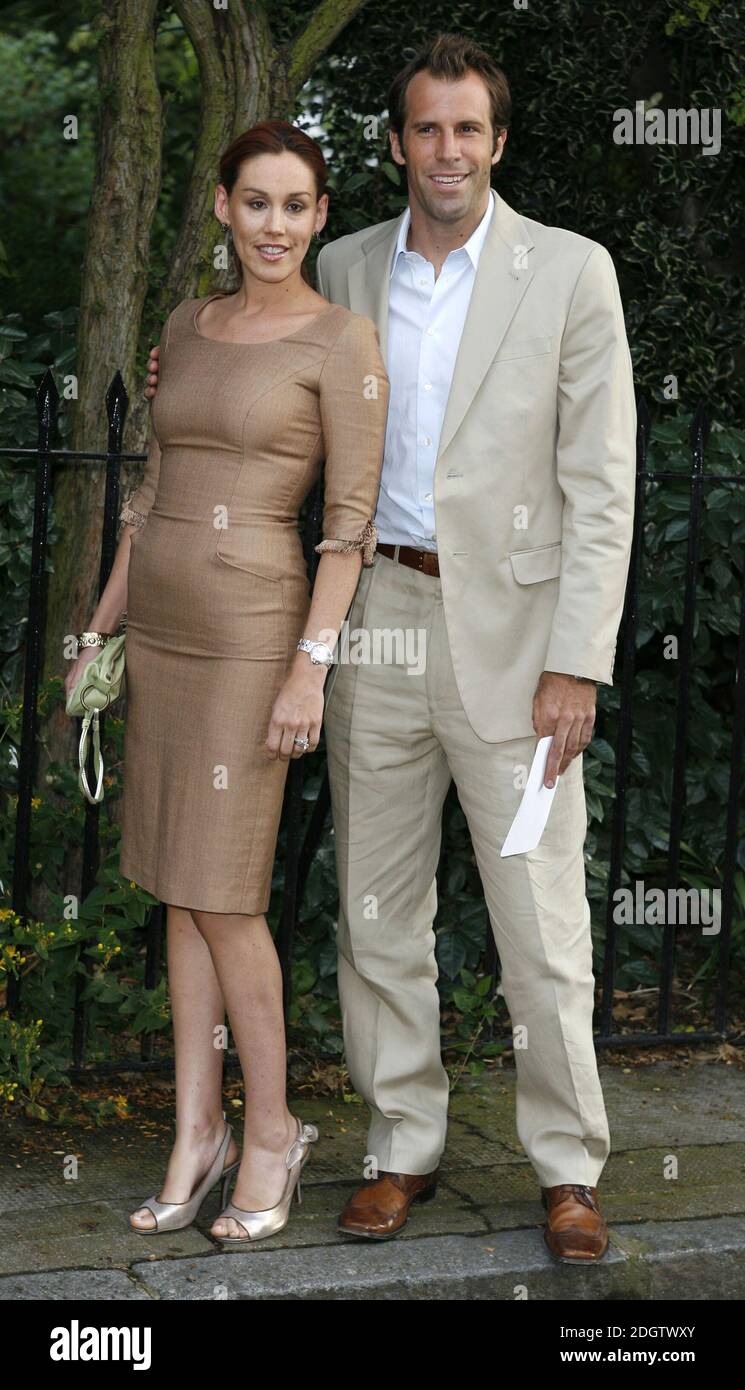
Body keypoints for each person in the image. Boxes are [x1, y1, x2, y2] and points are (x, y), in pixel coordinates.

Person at [147, 34, 637, 1262]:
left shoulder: (571, 273)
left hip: (523, 650)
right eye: (426, 128)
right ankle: (397, 1145)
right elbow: (256, 360)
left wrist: (576, 657)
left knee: (538, 914)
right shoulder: (349, 267)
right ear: (398, 142)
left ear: (498, 140)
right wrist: (186, 364)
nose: (448, 149)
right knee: (378, 914)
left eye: (468, 128)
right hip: (372, 627)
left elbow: (603, 482)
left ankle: (568, 1167)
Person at [64, 119, 390, 1244]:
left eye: (296, 207)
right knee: (177, 889)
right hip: (158, 637)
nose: (274, 226)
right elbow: (150, 492)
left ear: (319, 218)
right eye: (256, 203)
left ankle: (274, 1131)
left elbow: (346, 530)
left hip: (256, 641)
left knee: (229, 899)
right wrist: (96, 629)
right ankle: (197, 1129)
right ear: (221, 207)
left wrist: (309, 668)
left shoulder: (340, 342)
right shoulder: (184, 328)